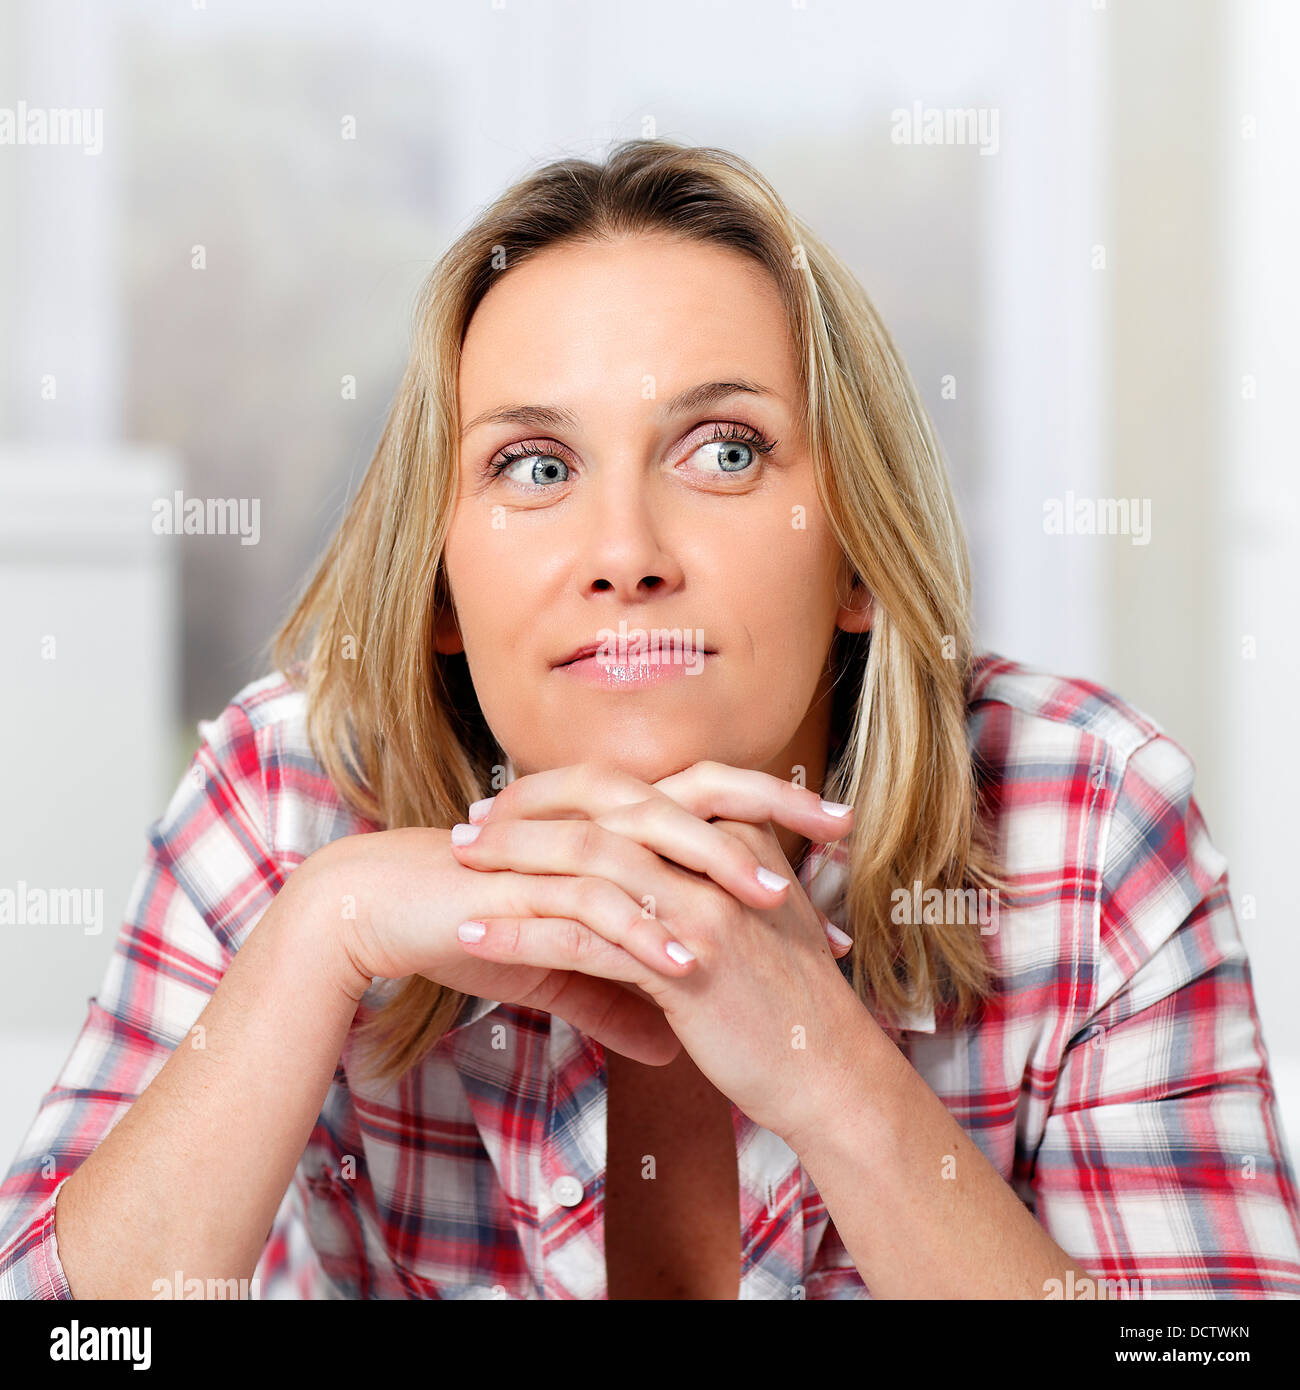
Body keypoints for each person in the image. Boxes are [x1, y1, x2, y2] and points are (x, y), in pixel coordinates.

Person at [2, 138, 1297, 1301]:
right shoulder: (290, 795)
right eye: (537, 466)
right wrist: (317, 938)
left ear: (855, 550)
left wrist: (834, 1075)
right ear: (439, 584)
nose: (623, 552)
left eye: (724, 450)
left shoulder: (1084, 819)